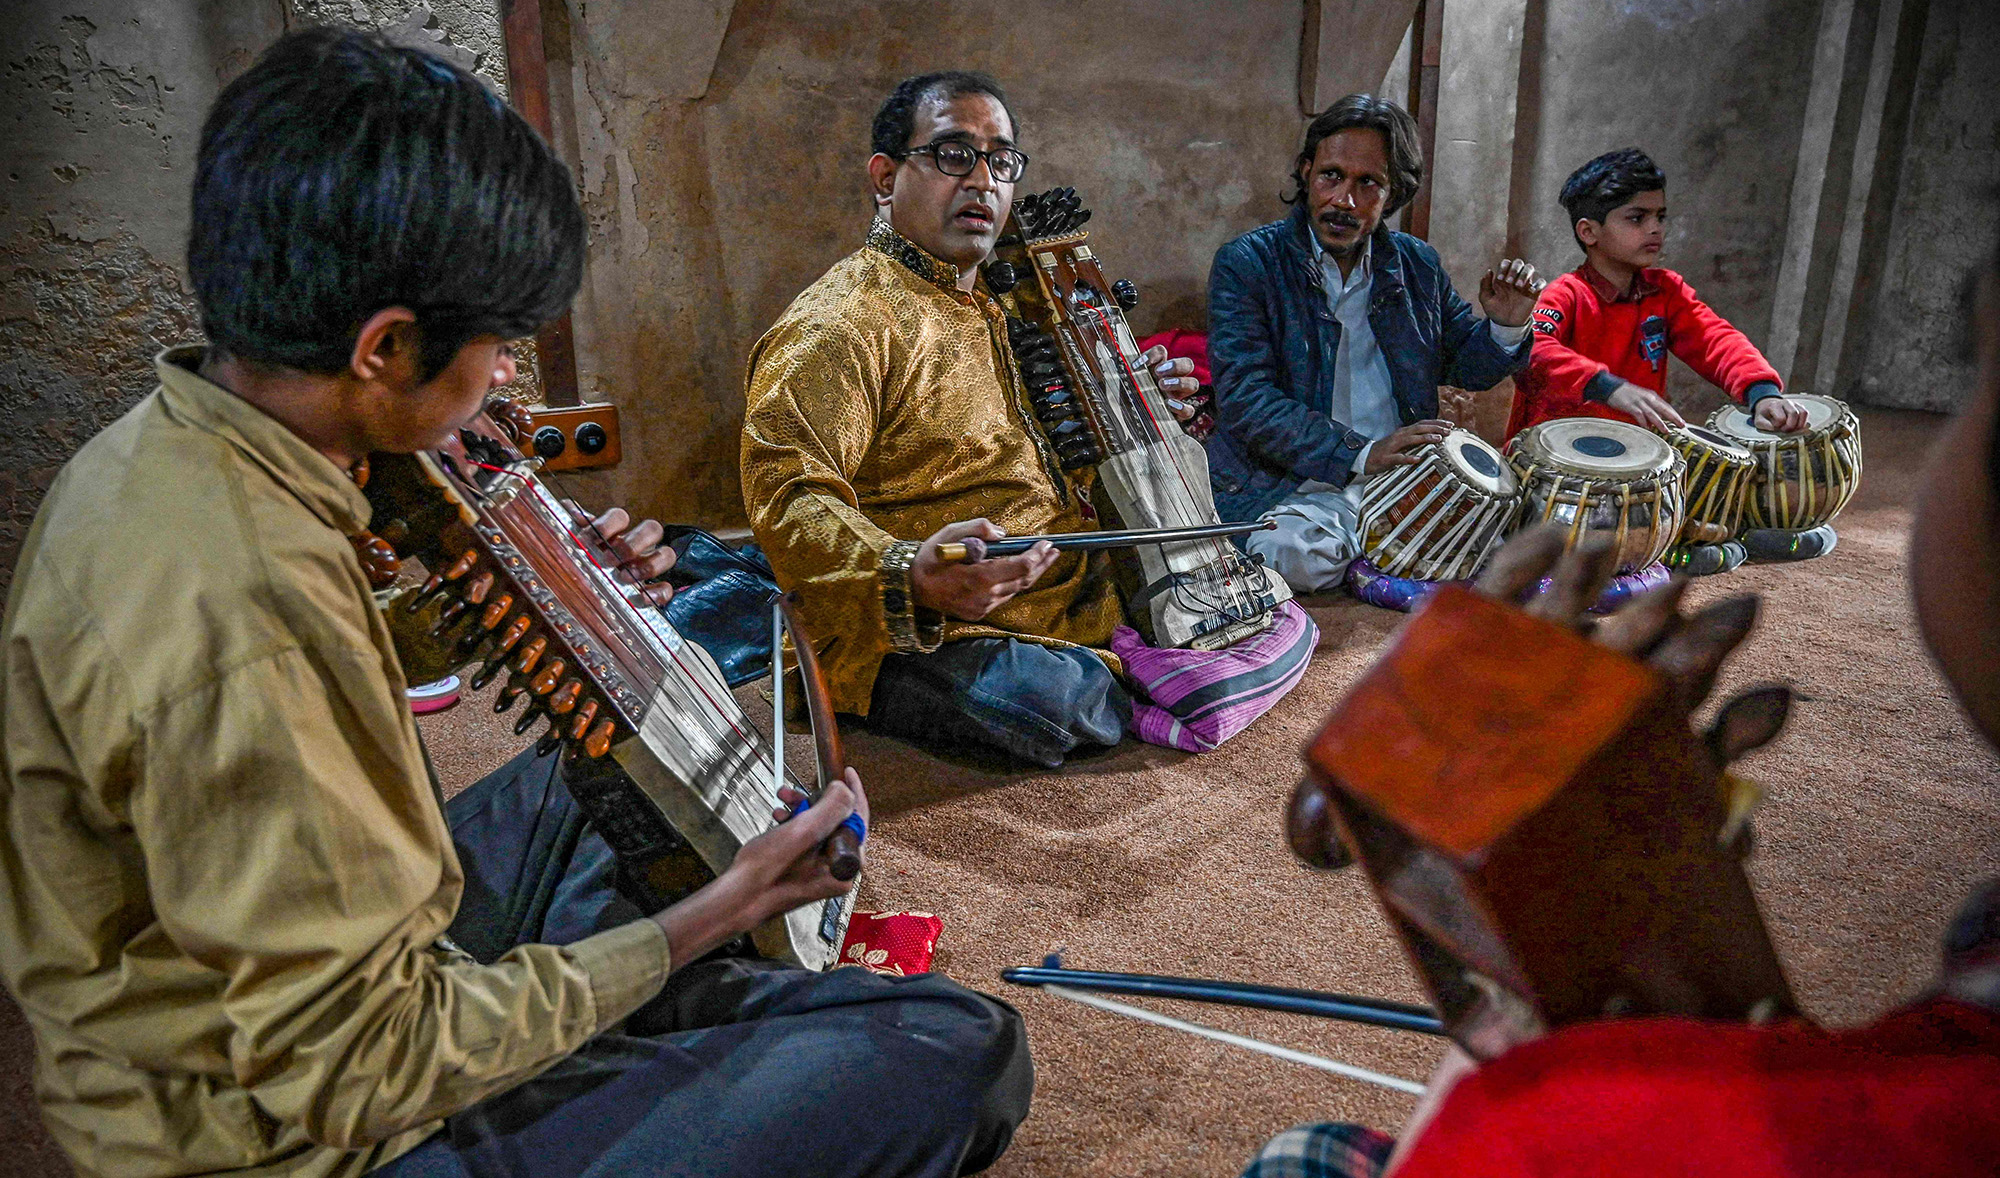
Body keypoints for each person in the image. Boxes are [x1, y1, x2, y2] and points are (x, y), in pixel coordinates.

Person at [0, 31, 1029, 1178]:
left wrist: (571, 592)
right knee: (958, 1047)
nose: (502, 381)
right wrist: (708, 912)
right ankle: (682, 1006)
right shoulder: (244, 624)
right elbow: (362, 1067)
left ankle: (678, 1014)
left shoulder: (190, 436)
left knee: (594, 761)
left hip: (337, 969)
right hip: (310, 1131)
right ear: (386, 347)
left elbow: (345, 683)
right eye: (494, 347)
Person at [1241, 222, 2000, 1178]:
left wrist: (1626, 1073)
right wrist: (1670, 982)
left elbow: (1518, 1142)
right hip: (1337, 469)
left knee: (1300, 1160)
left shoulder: (1633, 288)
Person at [740, 71, 1207, 768]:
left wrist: (1136, 411)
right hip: (938, 616)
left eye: (1002, 160)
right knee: (1049, 700)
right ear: (885, 177)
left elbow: (1046, 454)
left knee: (1245, 587)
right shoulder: (840, 324)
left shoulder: (1004, 300)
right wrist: (912, 575)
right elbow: (787, 495)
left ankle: (1114, 654)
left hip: (1056, 576)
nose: (983, 180)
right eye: (955, 155)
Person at [1205, 93, 1544, 593]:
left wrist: (1506, 326)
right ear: (1305, 171)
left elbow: (1467, 368)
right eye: (1331, 176)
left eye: (1368, 183)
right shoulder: (1249, 263)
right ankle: (1382, 550)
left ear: (1394, 194)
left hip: (1400, 477)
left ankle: (1382, 546)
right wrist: (1362, 454)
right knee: (1293, 555)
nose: (1344, 200)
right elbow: (1246, 400)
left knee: (1526, 528)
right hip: (1293, 483)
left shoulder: (1416, 265)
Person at [1509, 147, 1829, 572]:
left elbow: (1714, 338)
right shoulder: (1566, 294)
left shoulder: (1665, 291)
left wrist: (1761, 393)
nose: (1655, 229)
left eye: (1660, 217)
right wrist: (1609, 387)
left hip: (1642, 463)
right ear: (1589, 232)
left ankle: (1701, 538)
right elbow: (1535, 350)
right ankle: (1678, 547)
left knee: (1723, 470)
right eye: (1636, 218)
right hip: (1562, 470)